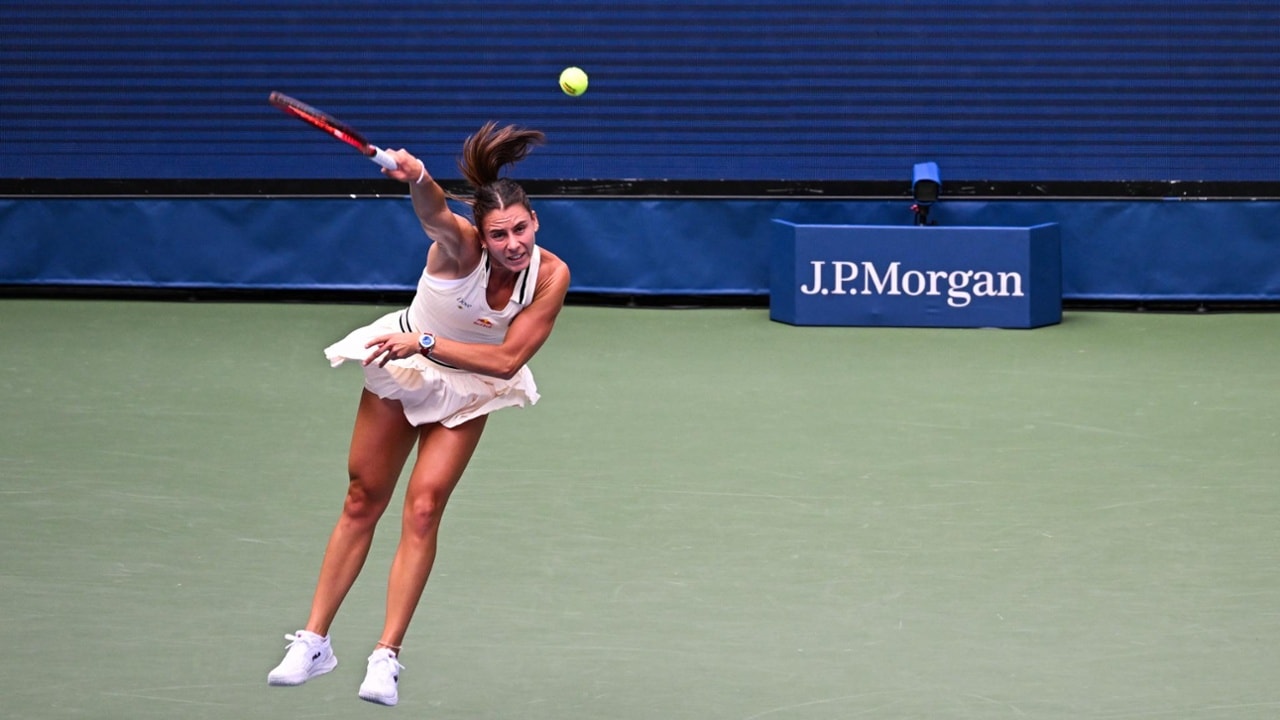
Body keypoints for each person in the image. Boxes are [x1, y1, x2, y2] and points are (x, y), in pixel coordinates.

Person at [267, 122, 571, 707]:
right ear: (481, 236)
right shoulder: (459, 249)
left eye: (522, 229)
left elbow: (507, 361)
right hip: (403, 367)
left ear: (536, 223)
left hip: (469, 384)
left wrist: (427, 342)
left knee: (425, 506)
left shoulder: (551, 275)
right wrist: (420, 179)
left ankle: (386, 655)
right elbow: (437, 218)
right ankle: (314, 641)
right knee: (362, 497)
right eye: (499, 234)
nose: (513, 243)